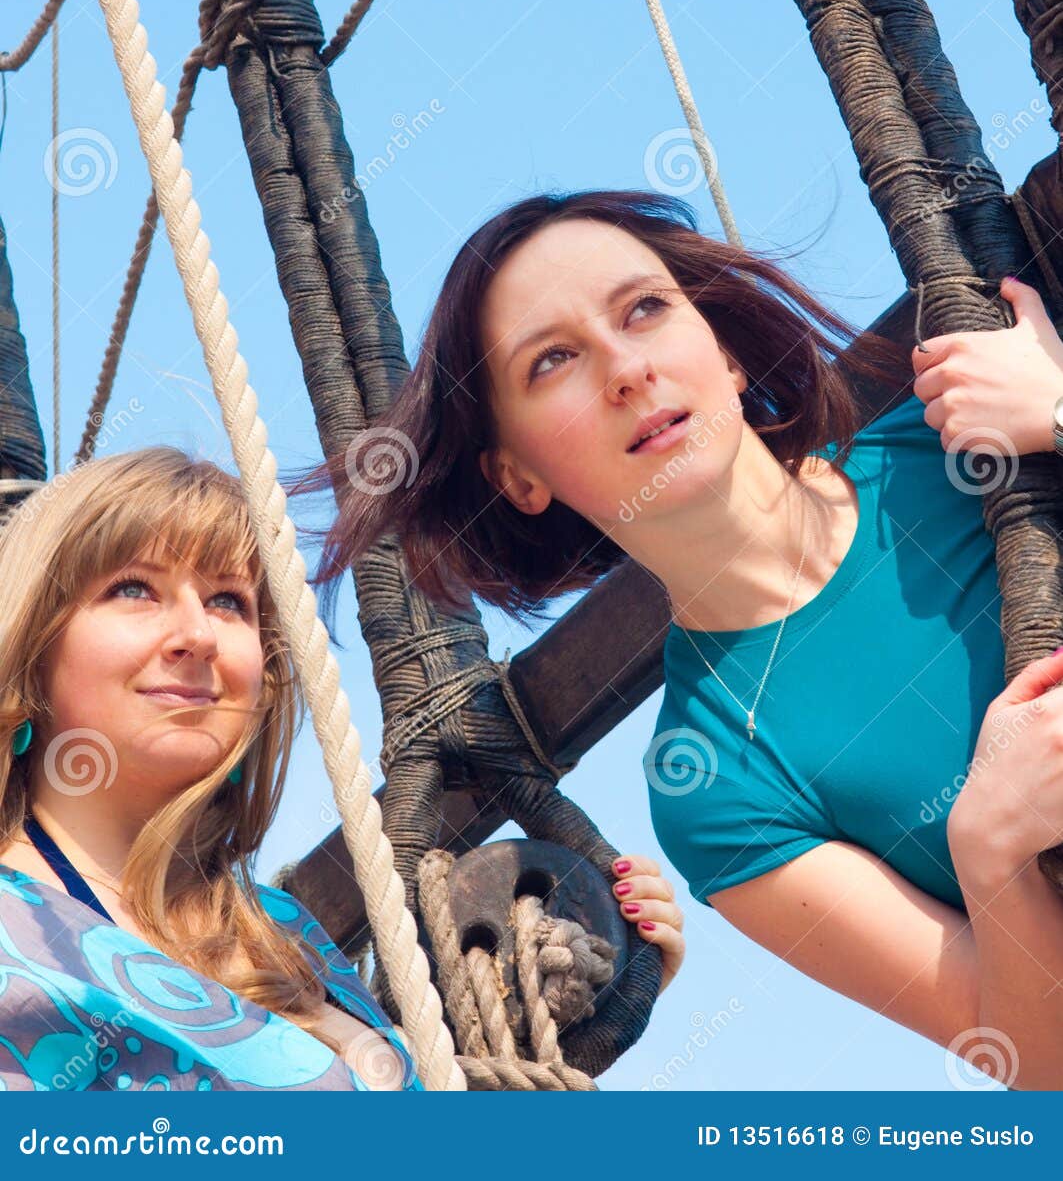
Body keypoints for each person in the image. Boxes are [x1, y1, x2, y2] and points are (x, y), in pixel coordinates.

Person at [310, 186, 1063, 1091]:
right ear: (518, 476)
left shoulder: (971, 431)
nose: (625, 370)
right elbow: (1034, 1068)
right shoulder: (714, 781)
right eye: (553, 360)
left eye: (644, 310)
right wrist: (991, 857)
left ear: (725, 353)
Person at [0, 447, 422, 1091]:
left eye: (228, 601)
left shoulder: (287, 933)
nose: (198, 635)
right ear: (31, 651)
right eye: (134, 589)